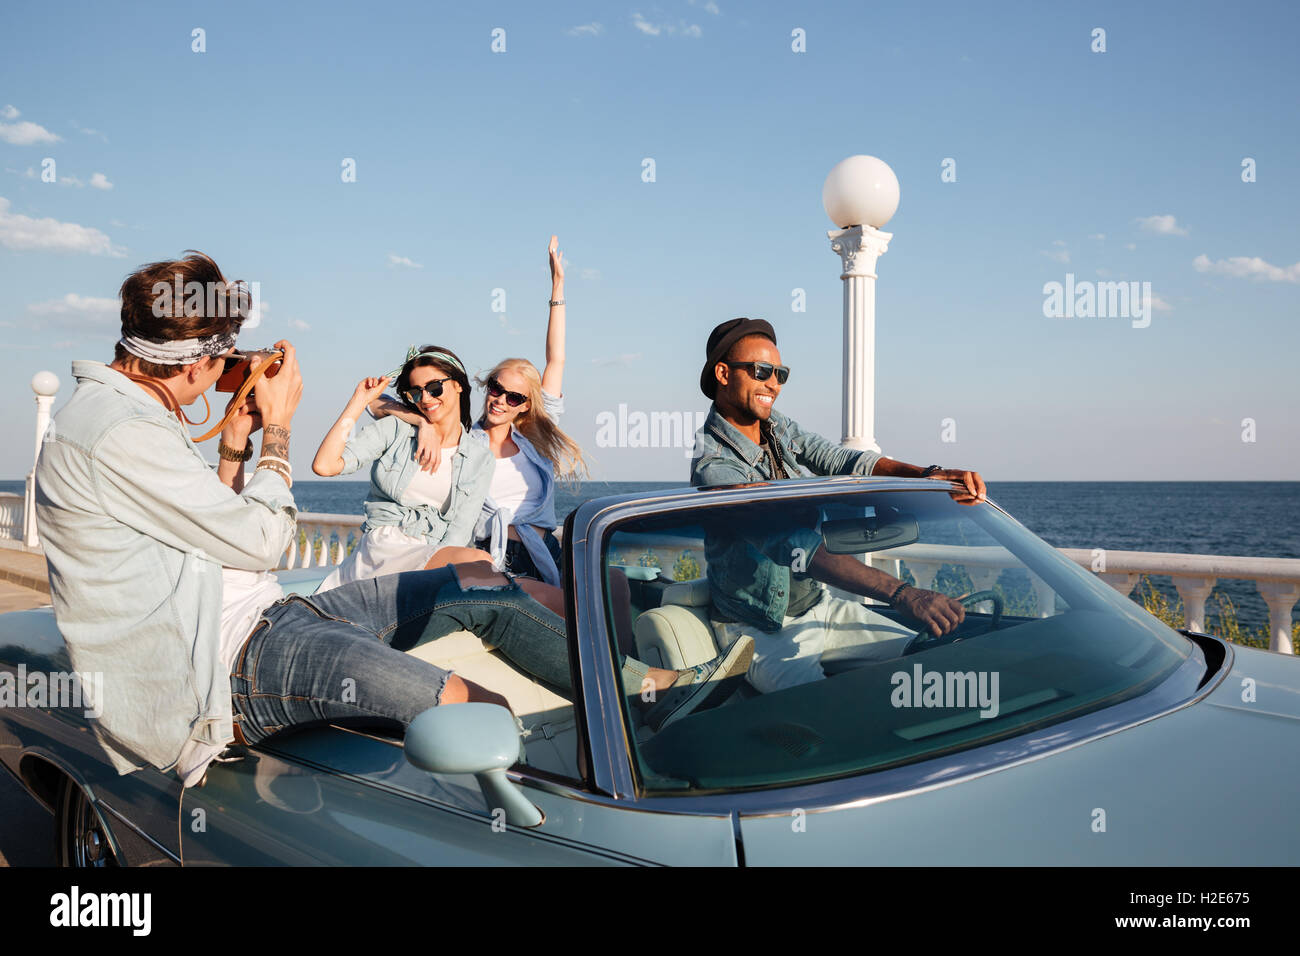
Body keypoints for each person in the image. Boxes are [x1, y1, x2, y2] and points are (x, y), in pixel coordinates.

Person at [32, 252, 577, 789]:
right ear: (198, 365)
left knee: (484, 589)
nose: (229, 371)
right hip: (238, 660)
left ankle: (644, 692)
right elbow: (265, 541)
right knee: (481, 707)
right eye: (226, 360)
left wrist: (235, 446)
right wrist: (278, 430)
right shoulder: (121, 432)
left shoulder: (129, 417)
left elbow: (215, 530)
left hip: (271, 612)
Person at [690, 317, 988, 694]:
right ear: (723, 373)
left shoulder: (774, 427)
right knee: (822, 718)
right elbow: (794, 544)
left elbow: (838, 459)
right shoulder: (715, 468)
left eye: (780, 374)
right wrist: (902, 594)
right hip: (758, 631)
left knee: (929, 662)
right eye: (761, 371)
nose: (774, 385)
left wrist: (929, 474)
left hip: (821, 609)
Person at [371, 235, 585, 587]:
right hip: (489, 553)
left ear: (526, 405)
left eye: (514, 397)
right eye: (497, 389)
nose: (501, 400)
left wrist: (558, 286)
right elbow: (375, 401)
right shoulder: (462, 439)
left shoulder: (534, 439)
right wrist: (421, 422)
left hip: (544, 550)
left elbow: (556, 358)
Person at [312, 345, 495, 592]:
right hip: (384, 548)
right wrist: (359, 401)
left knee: (486, 570)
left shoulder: (480, 458)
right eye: (416, 393)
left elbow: (459, 533)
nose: (427, 399)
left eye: (434, 388)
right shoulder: (396, 430)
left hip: (433, 553)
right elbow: (325, 465)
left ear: (458, 384)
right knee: (481, 563)